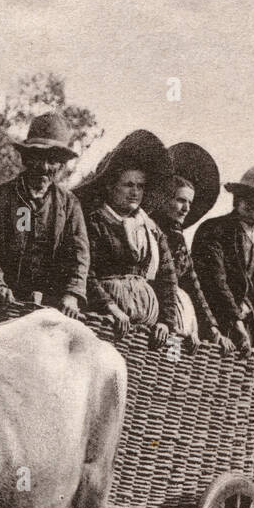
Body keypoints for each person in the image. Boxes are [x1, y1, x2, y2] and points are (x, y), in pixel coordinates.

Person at [74, 129, 181, 347]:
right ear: (110, 186)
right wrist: (110, 308)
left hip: (146, 330)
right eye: (128, 185)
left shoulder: (152, 231)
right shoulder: (94, 222)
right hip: (104, 321)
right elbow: (86, 272)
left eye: (140, 186)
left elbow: (167, 279)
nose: (135, 192)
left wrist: (166, 322)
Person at [0, 112, 88, 318]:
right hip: (4, 303)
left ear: (62, 165)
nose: (44, 167)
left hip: (51, 308)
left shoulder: (69, 204)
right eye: (37, 158)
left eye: (52, 161)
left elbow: (79, 256)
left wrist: (72, 295)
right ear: (25, 158)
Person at [192, 166, 254, 360]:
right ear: (238, 198)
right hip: (212, 325)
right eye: (250, 197)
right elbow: (215, 281)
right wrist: (236, 323)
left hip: (246, 332)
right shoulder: (213, 230)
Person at [147, 142, 234, 352]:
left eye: (190, 203)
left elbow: (193, 284)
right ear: (164, 199)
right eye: (180, 200)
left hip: (177, 321)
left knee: (170, 367)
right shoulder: (149, 229)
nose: (186, 208)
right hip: (152, 316)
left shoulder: (178, 239)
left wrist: (213, 330)